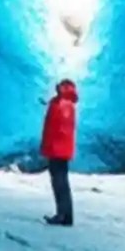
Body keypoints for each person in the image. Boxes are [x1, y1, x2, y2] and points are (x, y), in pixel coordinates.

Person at [40, 79, 79, 226]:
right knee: (61, 182)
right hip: (60, 149)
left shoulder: (63, 104)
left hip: (58, 150)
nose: (58, 88)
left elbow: (57, 128)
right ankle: (65, 215)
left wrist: (50, 146)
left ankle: (63, 216)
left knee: (59, 182)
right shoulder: (64, 103)